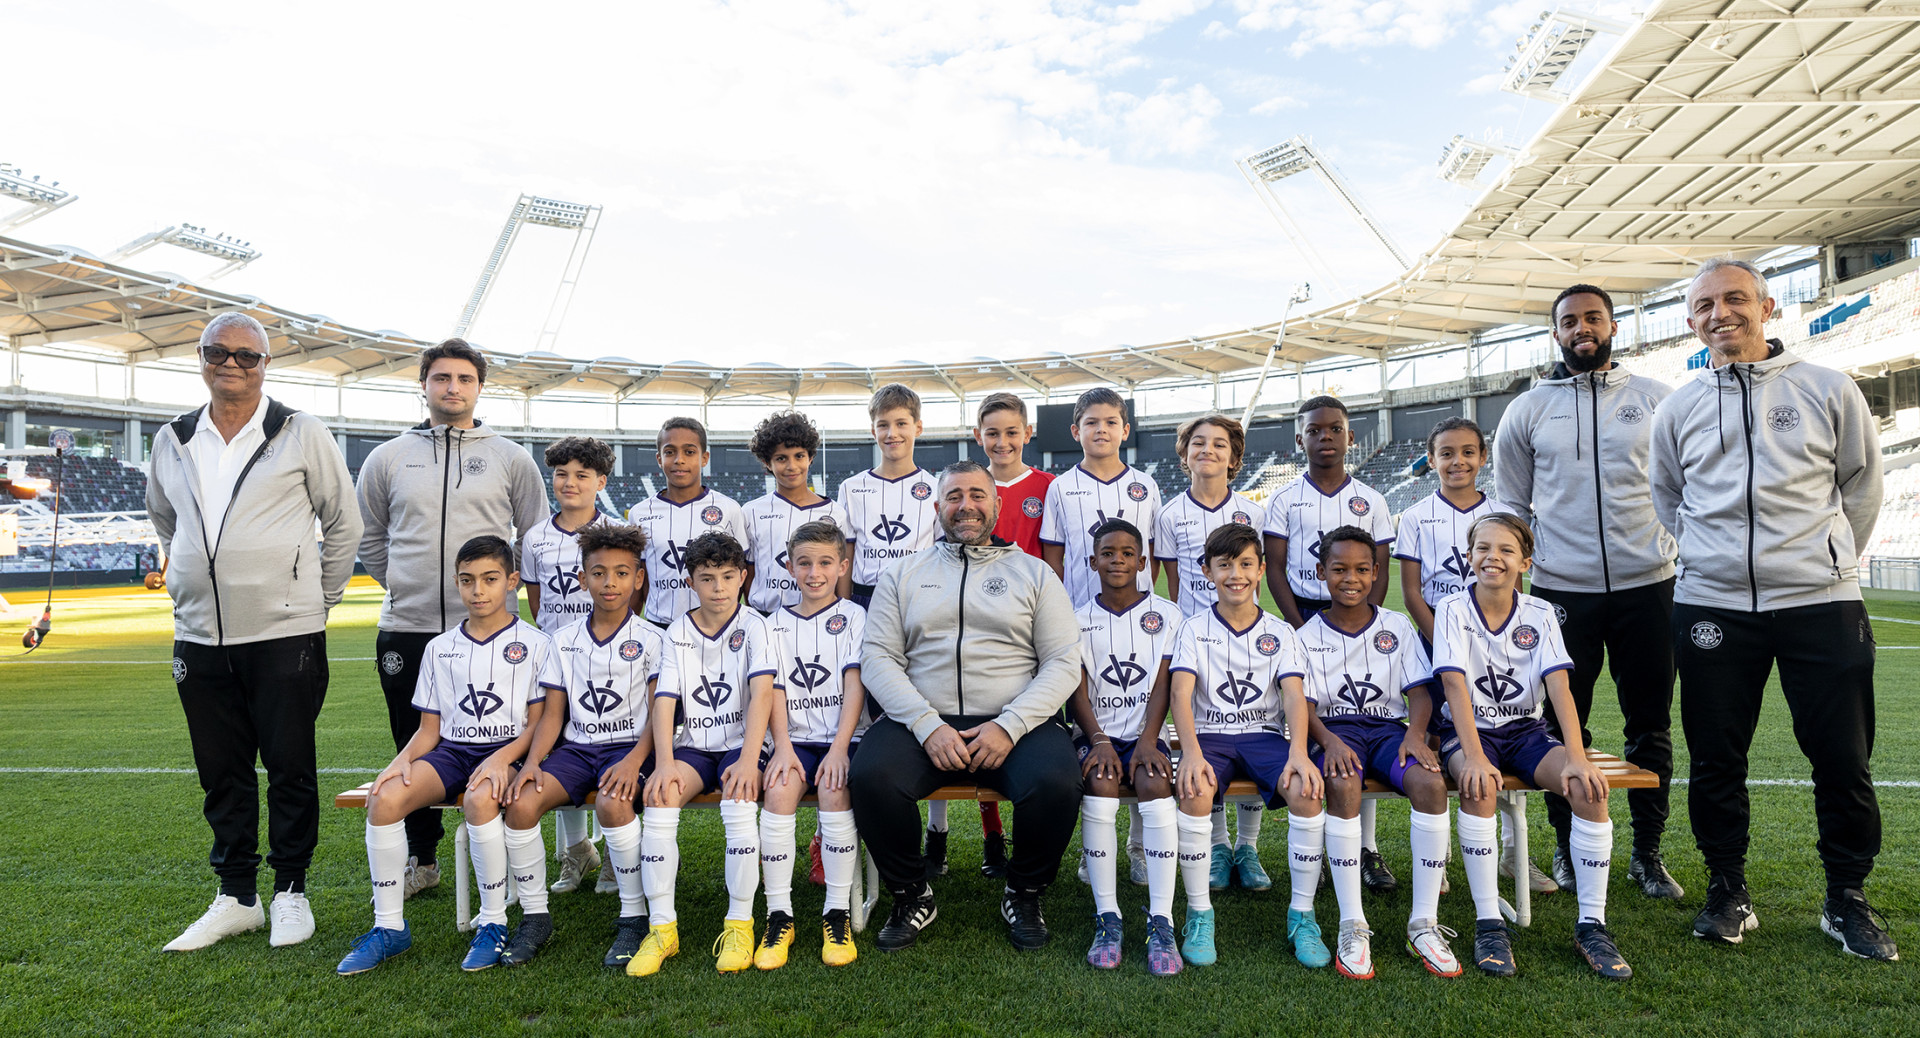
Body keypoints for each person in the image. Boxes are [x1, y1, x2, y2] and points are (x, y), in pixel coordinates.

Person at [1650, 257, 1896, 961]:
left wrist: (1823, 561)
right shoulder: (1679, 406)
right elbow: (1669, 497)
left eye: (1734, 299)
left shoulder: (1828, 388)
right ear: (1691, 321)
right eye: (1704, 305)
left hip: (1820, 602)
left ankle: (1845, 896)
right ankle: (1727, 888)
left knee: (1842, 757)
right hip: (1711, 604)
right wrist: (1710, 557)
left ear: (1767, 307)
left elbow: (1862, 488)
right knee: (1717, 757)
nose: (1720, 313)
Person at [148, 312, 362, 952]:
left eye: (248, 355)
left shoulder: (300, 431)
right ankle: (237, 895)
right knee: (221, 770)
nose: (233, 364)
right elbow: (167, 521)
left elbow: (343, 524)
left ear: (266, 364)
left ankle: (292, 890)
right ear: (202, 357)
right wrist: (190, 581)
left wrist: (312, 602)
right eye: (220, 352)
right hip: (199, 635)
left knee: (291, 765)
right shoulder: (173, 437)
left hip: (285, 632)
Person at [1495, 283, 1682, 900]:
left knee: (1650, 722)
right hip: (1559, 592)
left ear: (1613, 327)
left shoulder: (1657, 399)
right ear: (1556, 333)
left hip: (1648, 586)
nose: (1582, 328)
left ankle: (1648, 855)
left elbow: (1684, 492)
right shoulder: (1526, 410)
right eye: (1569, 320)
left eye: (1593, 318)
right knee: (1556, 724)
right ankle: (1569, 846)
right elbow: (1513, 509)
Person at [850, 460, 1081, 953]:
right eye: (954, 496)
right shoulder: (903, 574)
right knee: (871, 776)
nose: (966, 506)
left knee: (1058, 782)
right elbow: (878, 657)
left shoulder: (1034, 573)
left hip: (1015, 720)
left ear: (997, 506)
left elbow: (1063, 661)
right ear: (937, 508)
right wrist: (926, 725)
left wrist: (1012, 725)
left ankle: (1023, 889)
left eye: (978, 495)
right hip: (923, 719)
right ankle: (912, 893)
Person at [355, 338, 549, 896]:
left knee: (507, 732)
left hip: (495, 632)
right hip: (409, 624)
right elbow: (370, 537)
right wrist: (404, 583)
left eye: (464, 379)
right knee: (412, 736)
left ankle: (506, 842)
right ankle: (422, 857)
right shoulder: (388, 457)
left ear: (479, 387)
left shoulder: (510, 457)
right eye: (441, 378)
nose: (452, 388)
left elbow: (531, 538)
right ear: (424, 384)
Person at [335, 536, 564, 975]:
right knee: (383, 799)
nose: (478, 590)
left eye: (490, 579)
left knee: (480, 800)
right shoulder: (441, 648)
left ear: (512, 582)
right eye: (467, 581)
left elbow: (539, 723)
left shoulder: (536, 644)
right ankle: (389, 928)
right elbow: (429, 731)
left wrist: (502, 759)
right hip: (453, 753)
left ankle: (493, 923)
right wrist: (398, 763)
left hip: (510, 752)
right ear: (456, 584)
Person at [1432, 514, 1630, 980]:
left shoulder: (1539, 612)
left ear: (1525, 560)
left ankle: (1592, 925)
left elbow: (1559, 688)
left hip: (1525, 731)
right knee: (1478, 787)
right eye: (1482, 548)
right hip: (1467, 732)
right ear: (1469, 556)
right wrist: (1474, 755)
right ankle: (1488, 922)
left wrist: (1577, 758)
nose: (1492, 558)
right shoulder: (1453, 609)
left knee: (1589, 791)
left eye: (1504, 550)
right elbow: (1454, 684)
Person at [628, 532, 794, 977]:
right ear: (690, 581)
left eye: (727, 577)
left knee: (739, 802)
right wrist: (663, 763)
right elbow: (664, 700)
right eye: (707, 578)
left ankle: (740, 923)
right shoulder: (679, 630)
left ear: (743, 577)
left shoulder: (755, 624)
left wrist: (748, 757)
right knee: (659, 798)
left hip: (742, 746)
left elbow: (763, 693)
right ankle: (662, 928)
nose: (718, 588)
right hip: (695, 747)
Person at [497, 524, 662, 969]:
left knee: (613, 804)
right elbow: (553, 714)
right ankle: (534, 917)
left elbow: (658, 714)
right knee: (521, 803)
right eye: (600, 573)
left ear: (638, 578)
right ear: (583, 577)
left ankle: (634, 916)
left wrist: (633, 761)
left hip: (628, 747)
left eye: (622, 573)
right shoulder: (564, 640)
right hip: (577, 750)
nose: (610, 583)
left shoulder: (652, 640)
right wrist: (532, 762)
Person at [1300, 526, 1456, 979]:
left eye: (1362, 570)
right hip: (1332, 731)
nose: (1352, 578)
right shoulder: (1307, 634)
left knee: (1429, 783)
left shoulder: (1395, 626)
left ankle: (1423, 922)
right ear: (1321, 572)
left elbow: (1421, 694)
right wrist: (1327, 742)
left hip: (1389, 732)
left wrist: (1415, 735)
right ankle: (1353, 921)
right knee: (1343, 782)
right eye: (1340, 569)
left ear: (1375, 573)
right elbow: (1303, 704)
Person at [1167, 523, 1319, 969]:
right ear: (1207, 571)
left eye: (1246, 564)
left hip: (1265, 737)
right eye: (1225, 565)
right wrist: (1190, 753)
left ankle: (1303, 916)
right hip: (1210, 738)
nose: (1236, 574)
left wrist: (1298, 753)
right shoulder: (1194, 629)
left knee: (1307, 791)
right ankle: (1199, 913)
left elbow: (1293, 694)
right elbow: (1180, 694)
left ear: (1261, 570)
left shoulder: (1280, 631)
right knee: (1194, 791)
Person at [1395, 417, 1535, 898]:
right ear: (1431, 459)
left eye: (1468, 452)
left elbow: (1516, 586)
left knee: (1503, 730)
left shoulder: (1502, 511)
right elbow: (1412, 593)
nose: (1458, 462)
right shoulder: (1415, 517)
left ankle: (1514, 852)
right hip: (1438, 640)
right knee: (1441, 742)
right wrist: (1446, 644)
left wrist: (1495, 639)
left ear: (1483, 457)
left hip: (1496, 644)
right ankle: (1449, 854)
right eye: (1447, 453)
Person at [1263, 394, 1397, 893]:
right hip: (1304, 613)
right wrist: (1298, 625)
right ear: (1300, 439)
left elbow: (1379, 568)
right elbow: (1274, 567)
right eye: (1314, 431)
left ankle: (1366, 849)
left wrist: (1368, 616)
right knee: (1321, 724)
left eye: (1334, 429)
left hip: (1359, 615)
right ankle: (1321, 847)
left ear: (1349, 436)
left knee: (1363, 721)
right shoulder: (1282, 499)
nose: (1325, 437)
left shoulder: (1371, 500)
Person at [836, 385, 959, 870]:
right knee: (871, 716)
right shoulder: (853, 487)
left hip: (921, 601)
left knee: (928, 709)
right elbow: (846, 558)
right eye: (883, 425)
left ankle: (938, 831)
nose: (892, 433)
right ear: (873, 430)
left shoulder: (933, 485)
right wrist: (845, 612)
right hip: (867, 601)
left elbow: (945, 554)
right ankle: (859, 833)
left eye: (901, 423)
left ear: (918, 427)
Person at [1153, 412, 1269, 892]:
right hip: (1196, 639)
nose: (1208, 451)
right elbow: (1172, 581)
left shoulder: (1252, 512)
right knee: (1207, 738)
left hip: (1247, 636)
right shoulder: (1168, 513)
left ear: (1234, 457)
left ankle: (1249, 846)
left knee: (1257, 727)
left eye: (1219, 444)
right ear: (1184, 455)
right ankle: (1219, 845)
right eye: (1198, 443)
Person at [1066, 519, 1183, 975]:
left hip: (1147, 732)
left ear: (1142, 561)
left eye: (1127, 552)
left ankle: (1162, 919)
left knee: (1154, 784)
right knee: (1100, 781)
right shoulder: (1076, 620)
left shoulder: (1166, 616)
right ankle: (1107, 916)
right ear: (1092, 561)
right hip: (1096, 732)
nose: (1118, 560)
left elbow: (1163, 684)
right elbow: (1076, 689)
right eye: (1108, 553)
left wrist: (1149, 741)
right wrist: (1097, 740)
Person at [758, 520, 869, 968]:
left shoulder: (856, 617)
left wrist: (841, 749)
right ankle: (778, 914)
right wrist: (783, 748)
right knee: (780, 789)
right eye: (804, 563)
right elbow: (774, 689)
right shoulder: (774, 624)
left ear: (843, 566)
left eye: (825, 563)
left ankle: (836, 911)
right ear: (789, 567)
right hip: (795, 739)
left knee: (834, 788)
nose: (815, 572)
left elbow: (854, 684)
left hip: (844, 736)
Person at [519, 435, 622, 898]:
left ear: (600, 481)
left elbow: (628, 597)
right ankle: (578, 849)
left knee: (610, 742)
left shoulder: (617, 532)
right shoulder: (536, 536)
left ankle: (618, 856)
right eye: (562, 474)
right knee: (563, 746)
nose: (570, 483)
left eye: (582, 475)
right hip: (557, 658)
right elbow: (538, 605)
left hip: (609, 655)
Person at [969, 391, 1046, 879]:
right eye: (992, 433)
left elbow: (1052, 555)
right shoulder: (968, 487)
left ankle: (1029, 833)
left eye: (1011, 432)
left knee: (1030, 727)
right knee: (980, 718)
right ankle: (991, 832)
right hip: (980, 620)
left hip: (1031, 617)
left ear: (1027, 434)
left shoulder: (1048, 487)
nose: (1002, 441)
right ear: (979, 437)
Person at [1040, 387, 1162, 610]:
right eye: (1091, 422)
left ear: (1125, 431)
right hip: (1079, 609)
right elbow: (1053, 559)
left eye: (1111, 423)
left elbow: (1152, 553)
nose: (1101, 430)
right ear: (1076, 432)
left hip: (1139, 610)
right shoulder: (1060, 487)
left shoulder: (1146, 485)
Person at [627, 417, 751, 629]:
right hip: (661, 626)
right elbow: (640, 579)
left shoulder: (729, 508)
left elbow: (741, 574)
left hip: (717, 626)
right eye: (670, 452)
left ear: (704, 458)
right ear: (659, 458)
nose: (679, 460)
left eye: (689, 452)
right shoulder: (639, 513)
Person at [743, 410, 851, 614]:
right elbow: (749, 572)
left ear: (810, 458)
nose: (792, 466)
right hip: (767, 616)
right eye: (782, 458)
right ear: (767, 462)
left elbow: (839, 573)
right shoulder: (751, 512)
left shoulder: (834, 512)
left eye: (799, 456)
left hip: (819, 616)